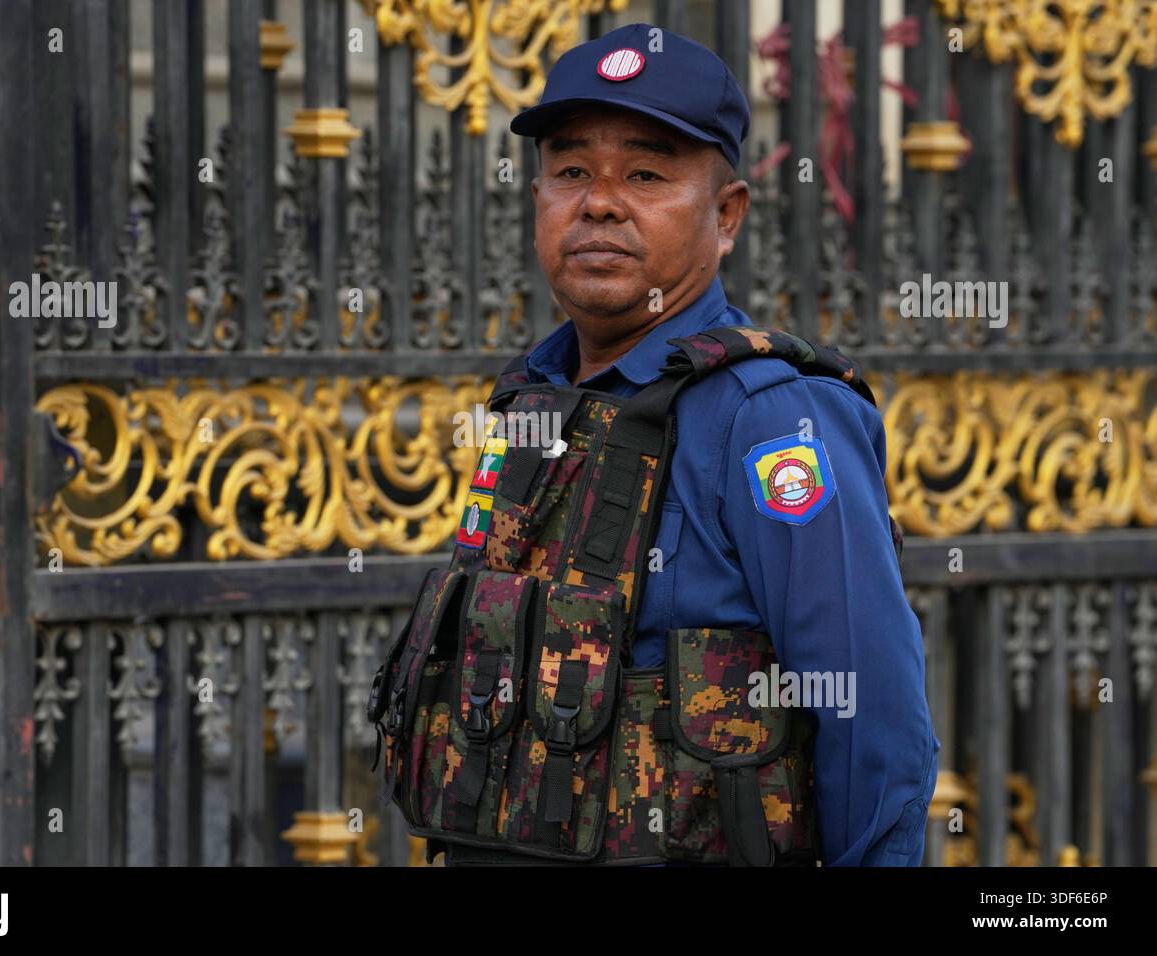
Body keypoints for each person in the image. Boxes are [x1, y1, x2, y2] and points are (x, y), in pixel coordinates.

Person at [371, 21, 939, 867]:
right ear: (538, 203)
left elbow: (872, 718)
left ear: (727, 215)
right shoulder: (534, 396)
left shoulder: (771, 418)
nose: (598, 201)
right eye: (570, 171)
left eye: (645, 173)